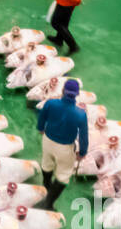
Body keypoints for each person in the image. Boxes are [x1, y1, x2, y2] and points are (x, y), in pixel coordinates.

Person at [36, 78, 89, 208]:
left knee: (46, 164)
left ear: (63, 90)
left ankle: (47, 186)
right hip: (65, 148)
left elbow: (41, 121)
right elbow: (83, 137)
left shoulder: (50, 103)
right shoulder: (81, 114)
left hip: (48, 141)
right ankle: (48, 203)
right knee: (63, 176)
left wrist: (42, 129)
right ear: (77, 94)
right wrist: (82, 153)